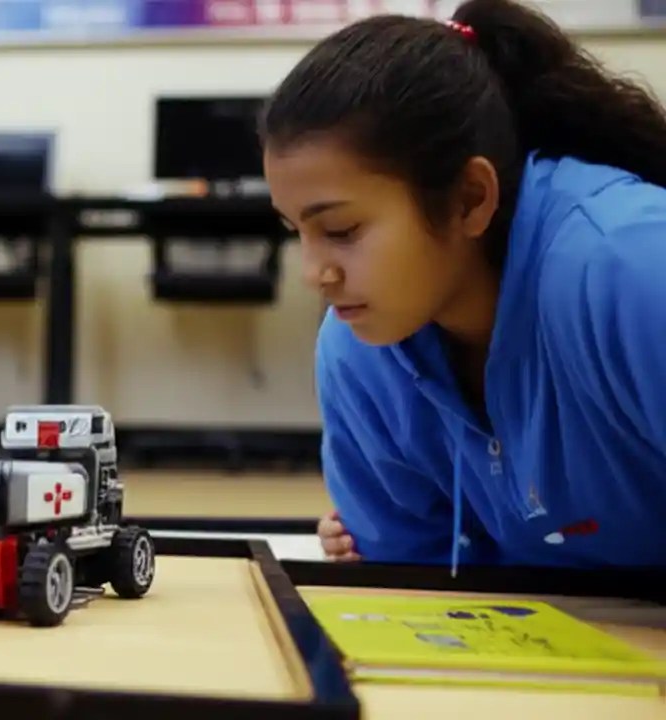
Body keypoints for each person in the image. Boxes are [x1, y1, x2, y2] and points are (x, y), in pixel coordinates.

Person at [260, 0, 666, 572]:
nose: (315, 274)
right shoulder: (357, 349)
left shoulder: (629, 266)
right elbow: (420, 591)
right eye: (296, 231)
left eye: (342, 230)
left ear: (469, 199)